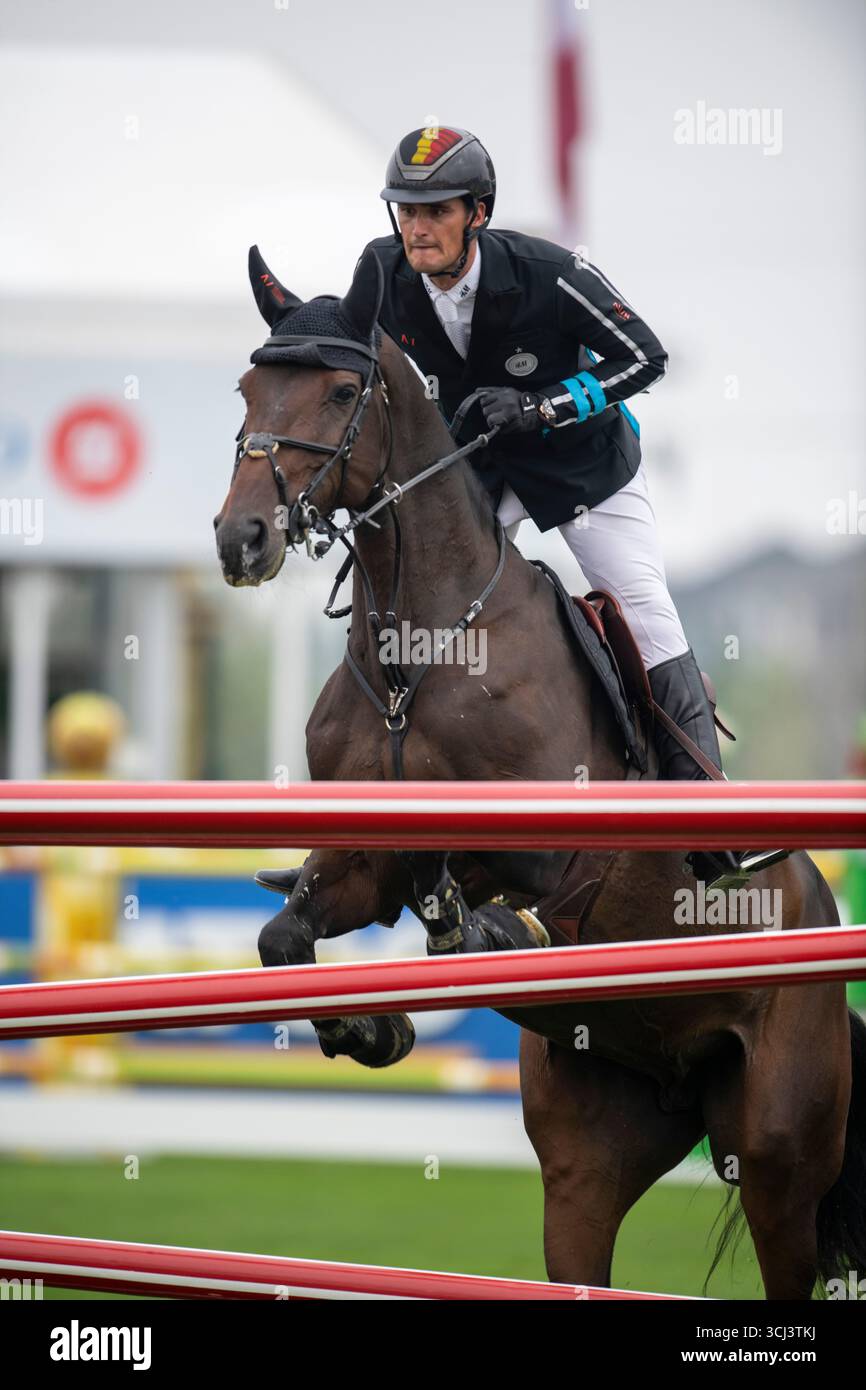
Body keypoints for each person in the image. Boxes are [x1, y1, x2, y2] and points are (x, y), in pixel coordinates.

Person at [360, 125, 744, 887]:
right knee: (407, 597)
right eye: (405, 209)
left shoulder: (549, 271)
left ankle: (706, 811)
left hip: (582, 467)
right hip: (477, 466)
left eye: (435, 209)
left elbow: (645, 355)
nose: (416, 225)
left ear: (478, 212)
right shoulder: (381, 269)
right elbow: (348, 351)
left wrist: (542, 408)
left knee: (642, 604)